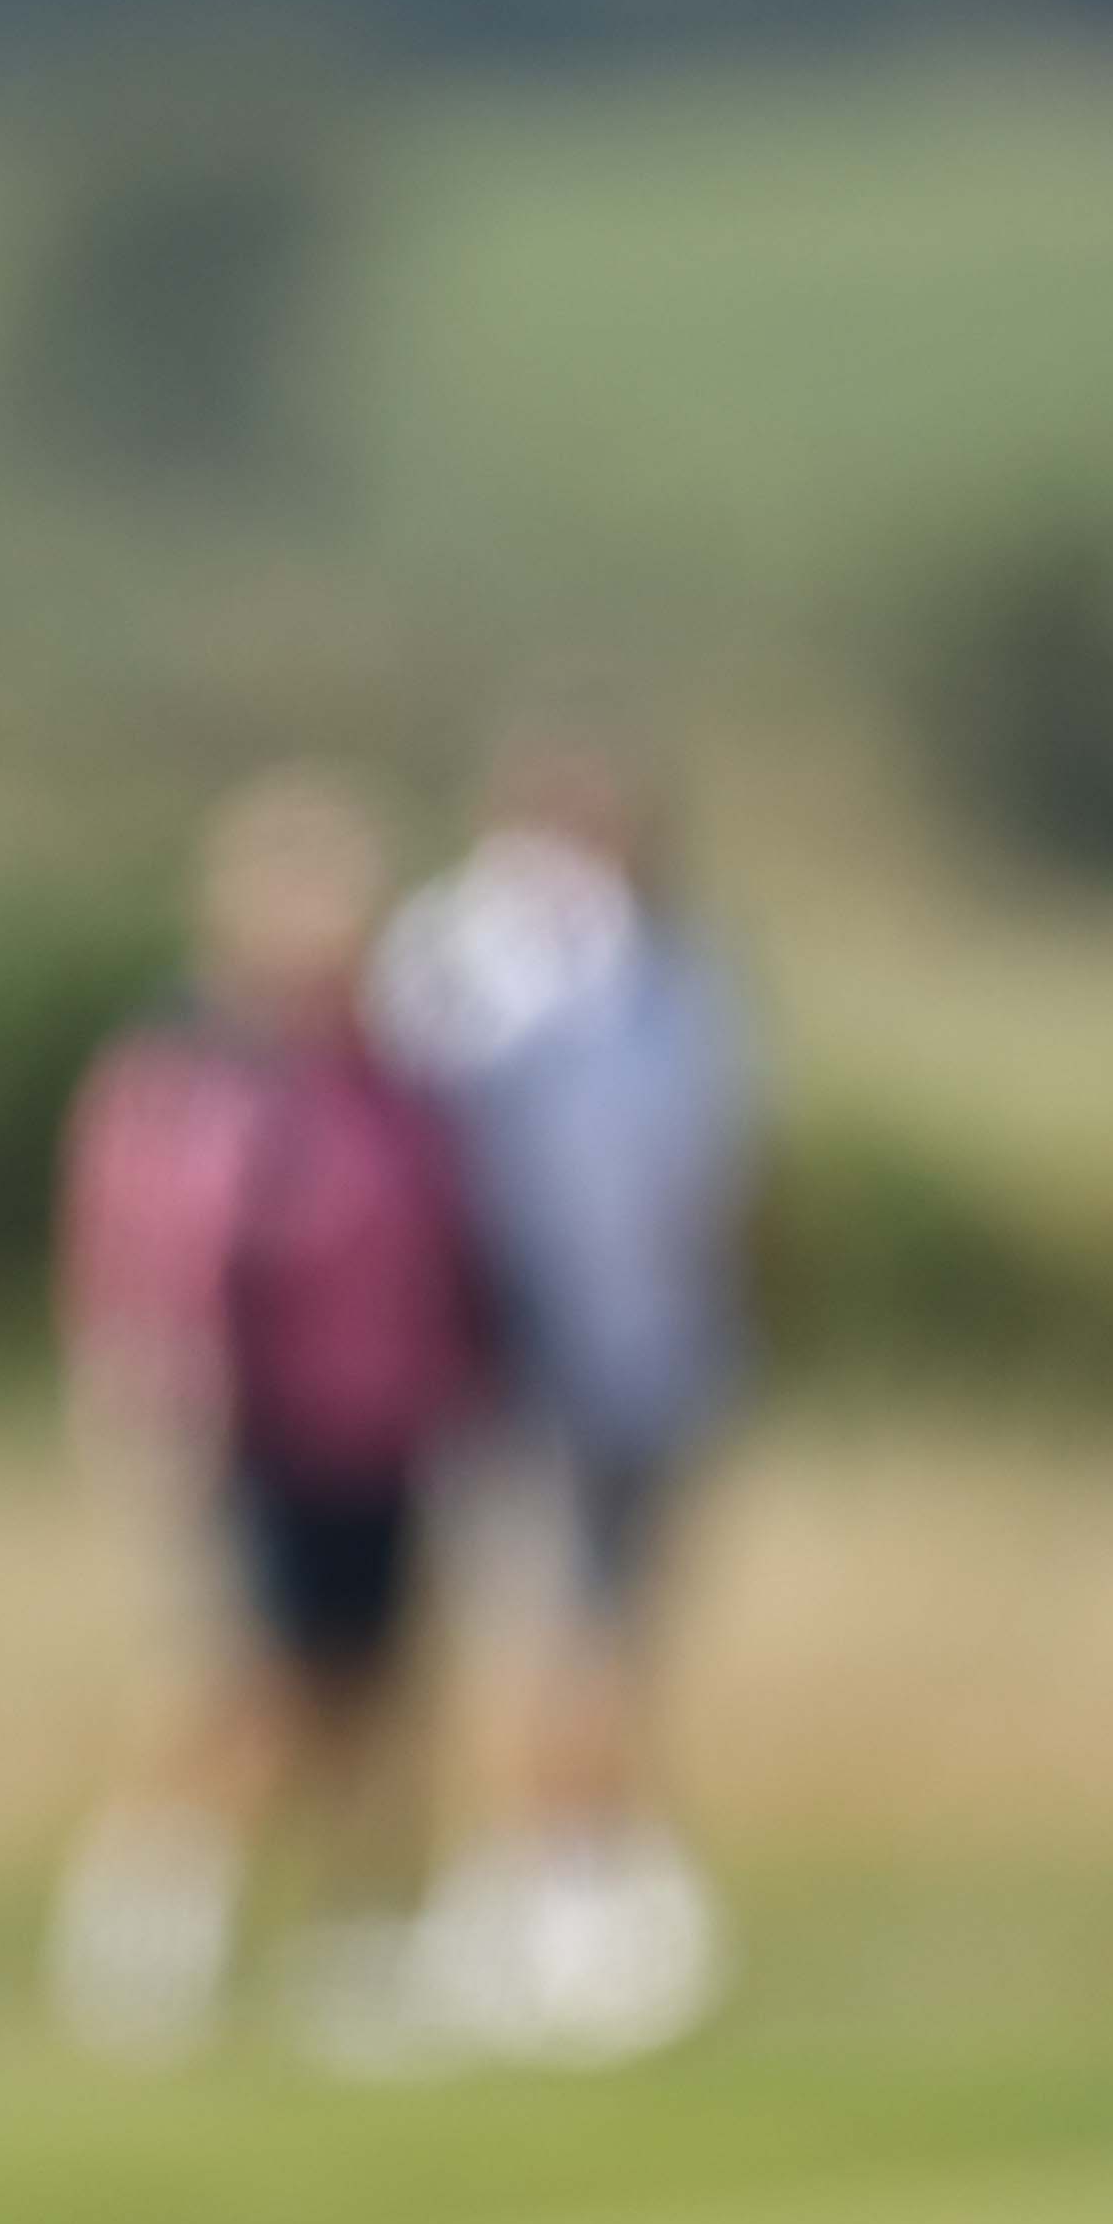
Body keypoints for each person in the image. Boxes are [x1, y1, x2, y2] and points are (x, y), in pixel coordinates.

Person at [46, 769, 487, 2075]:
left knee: (376, 1693)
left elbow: (442, 1249)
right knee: (239, 1686)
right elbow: (130, 1261)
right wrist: (141, 1414)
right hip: (238, 1428)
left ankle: (362, 1943)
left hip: (383, 1423)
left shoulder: (397, 1079)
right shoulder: (182, 1070)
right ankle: (149, 1931)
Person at [374, 727, 752, 2065]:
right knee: (536, 1628)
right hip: (508, 1362)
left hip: (650, 1356)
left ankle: (586, 1877)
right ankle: (532, 1891)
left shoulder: (679, 973)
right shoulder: (460, 957)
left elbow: (712, 1171)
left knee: (617, 1628)